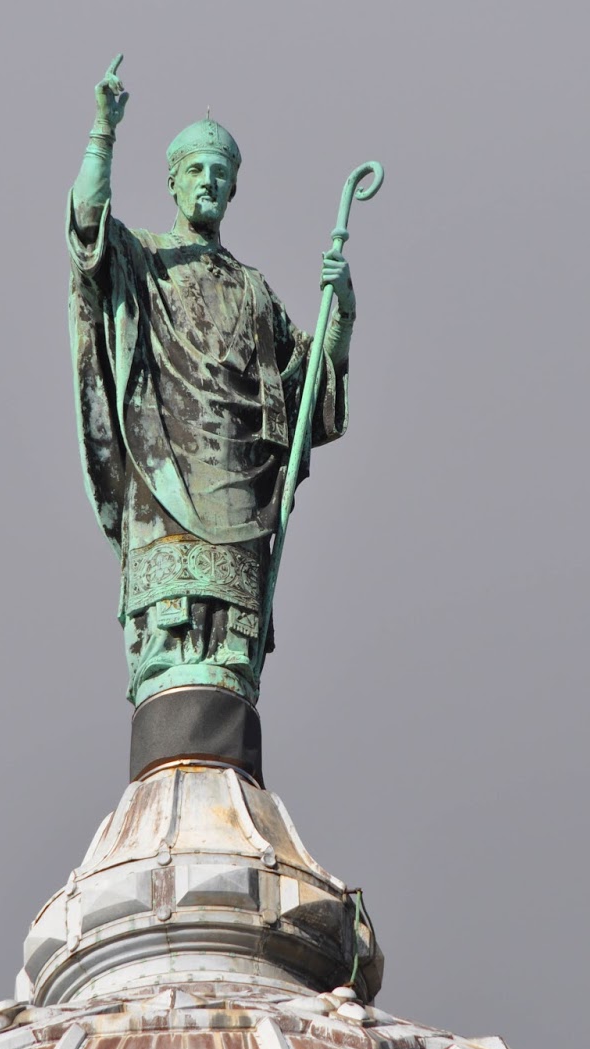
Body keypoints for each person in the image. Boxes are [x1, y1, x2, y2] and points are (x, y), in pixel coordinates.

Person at [67, 55, 357, 710]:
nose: (208, 182)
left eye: (220, 175)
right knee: (169, 642)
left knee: (231, 650)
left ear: (232, 193)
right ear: (172, 182)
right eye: (196, 170)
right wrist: (102, 134)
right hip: (163, 468)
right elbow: (86, 232)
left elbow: (310, 387)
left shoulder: (256, 291)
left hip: (240, 484)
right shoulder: (144, 259)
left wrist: (344, 311)